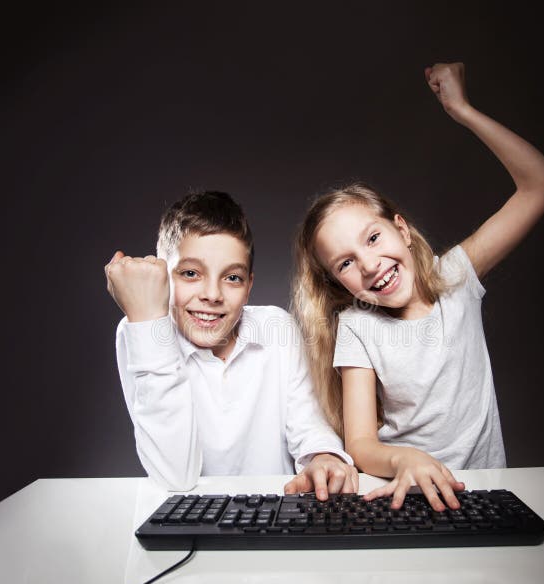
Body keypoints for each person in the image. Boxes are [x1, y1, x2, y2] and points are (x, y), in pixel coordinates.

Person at [291, 62, 544, 511]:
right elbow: (360, 443)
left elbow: (542, 183)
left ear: (402, 228)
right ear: (337, 281)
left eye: (374, 238)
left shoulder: (455, 276)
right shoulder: (357, 325)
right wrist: (407, 460)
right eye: (346, 263)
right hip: (402, 493)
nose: (370, 264)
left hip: (482, 490)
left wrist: (463, 110)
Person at [105, 190, 358, 499]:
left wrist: (324, 457)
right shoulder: (142, 332)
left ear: (249, 286)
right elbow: (176, 476)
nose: (212, 294)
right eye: (190, 273)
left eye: (232, 278)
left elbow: (308, 424)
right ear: (161, 277)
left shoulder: (276, 328)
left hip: (273, 518)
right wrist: (145, 318)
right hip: (189, 524)